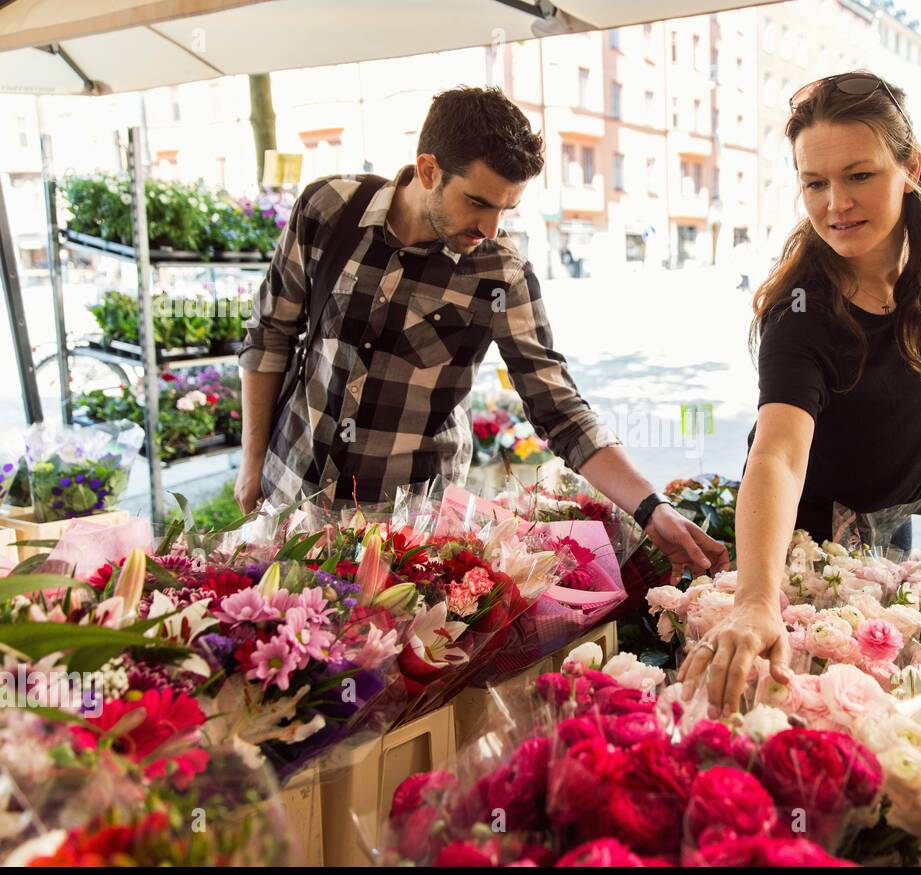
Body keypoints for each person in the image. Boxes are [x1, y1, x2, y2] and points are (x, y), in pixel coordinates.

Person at [236, 86, 727, 581]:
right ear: (428, 170)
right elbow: (269, 335)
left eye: (506, 210)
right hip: (291, 495)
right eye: (477, 202)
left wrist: (651, 508)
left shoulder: (501, 274)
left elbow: (561, 410)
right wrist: (251, 464)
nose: (490, 227)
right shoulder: (328, 209)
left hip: (404, 536)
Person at [679, 71, 921, 714]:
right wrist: (757, 598)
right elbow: (778, 453)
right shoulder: (802, 312)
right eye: (815, 182)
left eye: (859, 175)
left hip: (889, 546)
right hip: (802, 558)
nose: (836, 202)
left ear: (910, 168)